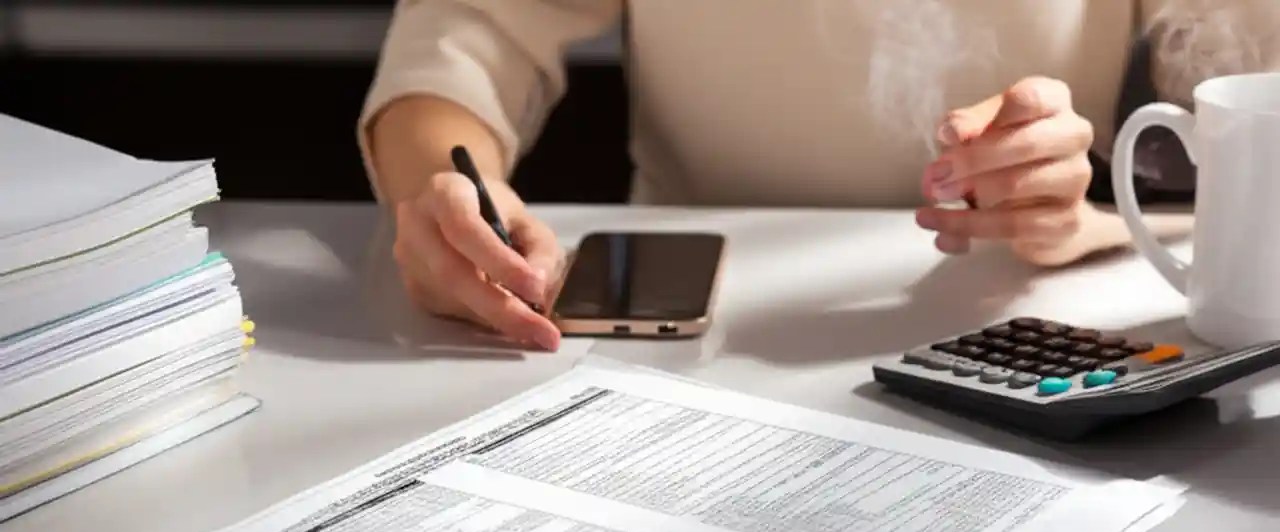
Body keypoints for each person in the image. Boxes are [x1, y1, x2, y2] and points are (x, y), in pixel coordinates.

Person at [359, 0, 1278, 351]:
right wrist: (441, 195)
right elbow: (461, 42)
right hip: (686, 344)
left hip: (1054, 322)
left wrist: (1090, 218)